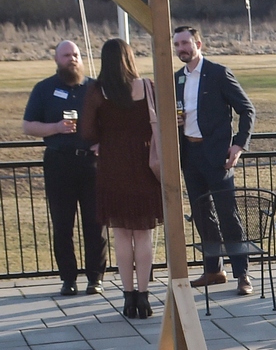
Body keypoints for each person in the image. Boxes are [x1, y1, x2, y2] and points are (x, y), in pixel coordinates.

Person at [80, 39, 164, 318]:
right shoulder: (147, 87)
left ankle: (127, 298)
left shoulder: (97, 91)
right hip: (142, 164)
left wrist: (105, 137)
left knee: (120, 235)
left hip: (112, 166)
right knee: (143, 235)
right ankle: (144, 296)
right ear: (129, 58)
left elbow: (88, 131)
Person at [173, 25, 256, 296]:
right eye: (177, 45)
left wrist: (239, 145)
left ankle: (242, 274)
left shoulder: (218, 74)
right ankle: (213, 269)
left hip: (218, 156)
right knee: (201, 215)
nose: (181, 49)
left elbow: (246, 110)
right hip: (189, 154)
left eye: (185, 43)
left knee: (227, 215)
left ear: (199, 44)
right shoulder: (175, 79)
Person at [22, 40, 108, 296]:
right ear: (57, 60)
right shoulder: (44, 89)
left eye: (76, 55)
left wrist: (103, 143)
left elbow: (112, 123)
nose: (72, 59)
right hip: (59, 161)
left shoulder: (95, 88)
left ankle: (96, 278)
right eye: (66, 55)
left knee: (95, 223)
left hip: (90, 163)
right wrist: (55, 128)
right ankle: (68, 279)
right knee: (62, 224)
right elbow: (28, 126)